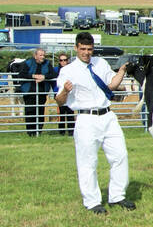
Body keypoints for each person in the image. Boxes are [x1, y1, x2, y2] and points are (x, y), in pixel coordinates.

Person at [54, 32, 132, 214]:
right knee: (88, 160)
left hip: (107, 115)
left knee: (120, 155)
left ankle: (117, 196)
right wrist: (65, 91)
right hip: (86, 118)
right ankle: (92, 201)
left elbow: (111, 85)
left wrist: (121, 71)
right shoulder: (68, 71)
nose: (86, 53)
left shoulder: (100, 63)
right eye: (82, 49)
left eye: (89, 49)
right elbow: (59, 101)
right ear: (76, 48)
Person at [17, 47, 56, 136]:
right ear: (35, 56)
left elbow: (53, 74)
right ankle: (31, 133)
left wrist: (44, 77)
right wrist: (33, 76)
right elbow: (21, 74)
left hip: (42, 92)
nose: (43, 57)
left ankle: (38, 131)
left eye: (43, 55)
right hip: (29, 91)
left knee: (40, 111)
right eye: (40, 55)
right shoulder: (28, 63)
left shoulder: (47, 63)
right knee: (30, 112)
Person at [53, 52, 75, 133]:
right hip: (60, 94)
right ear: (59, 61)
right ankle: (61, 131)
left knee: (70, 112)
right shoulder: (56, 70)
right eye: (61, 60)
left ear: (67, 60)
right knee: (61, 112)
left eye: (65, 60)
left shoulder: (71, 69)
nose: (63, 62)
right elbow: (50, 76)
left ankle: (71, 131)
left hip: (69, 93)